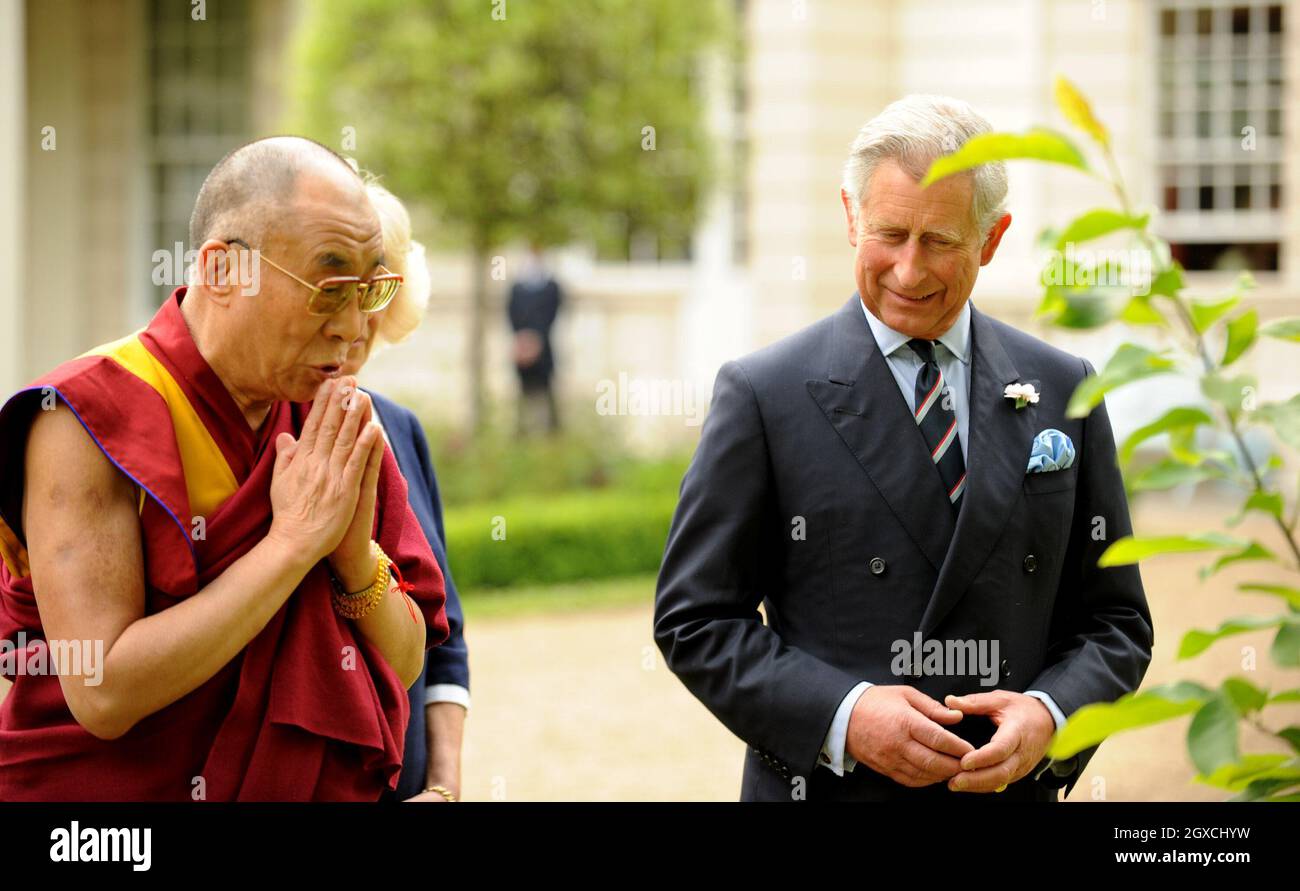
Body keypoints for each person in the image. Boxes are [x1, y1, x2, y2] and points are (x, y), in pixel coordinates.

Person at [653, 95, 1154, 802]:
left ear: (993, 237)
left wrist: (1051, 716)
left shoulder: (1064, 387)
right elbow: (695, 620)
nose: (909, 271)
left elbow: (1116, 621)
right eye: (889, 234)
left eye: (940, 242)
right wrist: (845, 714)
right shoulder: (764, 393)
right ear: (850, 217)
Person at [0, 136, 449, 800]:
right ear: (222, 271)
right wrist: (294, 546)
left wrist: (354, 559)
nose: (355, 329)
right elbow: (102, 688)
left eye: (370, 291)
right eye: (330, 290)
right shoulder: (87, 416)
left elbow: (408, 658)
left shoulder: (329, 421)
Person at [344, 178, 470, 803]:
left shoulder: (401, 428)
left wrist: (444, 788)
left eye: (377, 288)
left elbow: (447, 637)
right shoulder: (262, 437)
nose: (356, 317)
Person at [507, 244, 563, 434]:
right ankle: (521, 433)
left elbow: (553, 314)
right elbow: (511, 315)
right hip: (522, 348)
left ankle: (550, 433)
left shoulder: (552, 287)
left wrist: (537, 340)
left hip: (544, 348)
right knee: (523, 393)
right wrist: (523, 340)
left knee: (546, 392)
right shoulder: (516, 288)